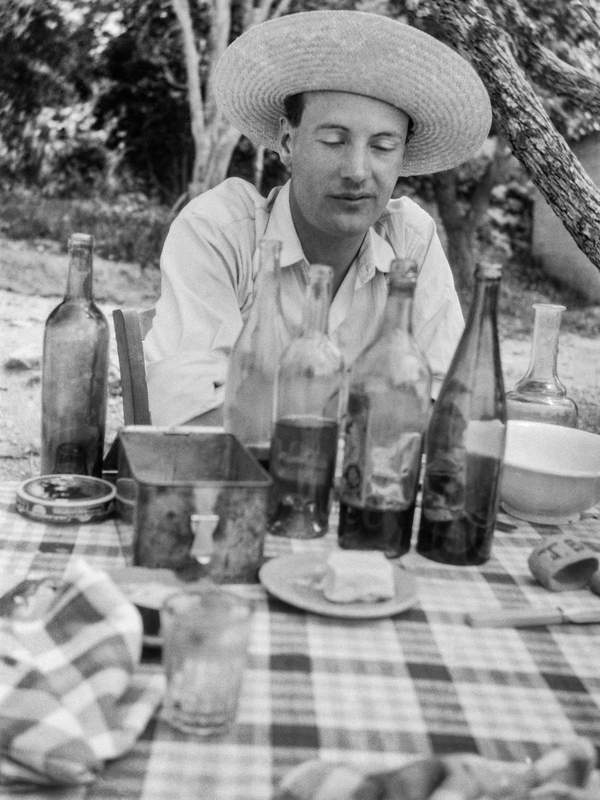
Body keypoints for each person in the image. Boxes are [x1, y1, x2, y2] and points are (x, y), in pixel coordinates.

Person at [144, 10, 492, 427]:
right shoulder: (220, 231)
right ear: (288, 142)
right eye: (333, 140)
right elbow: (189, 414)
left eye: (382, 146)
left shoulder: (409, 241)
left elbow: (453, 404)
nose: (357, 170)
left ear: (402, 157)